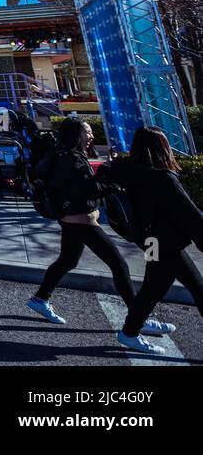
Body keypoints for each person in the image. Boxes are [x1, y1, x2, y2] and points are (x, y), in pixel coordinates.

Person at [26, 119, 154, 330]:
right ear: (76, 135)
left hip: (72, 220)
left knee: (67, 261)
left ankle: (40, 299)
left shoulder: (63, 156)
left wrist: (106, 169)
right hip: (82, 221)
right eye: (88, 131)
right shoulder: (72, 160)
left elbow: (82, 186)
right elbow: (89, 190)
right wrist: (109, 175)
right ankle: (137, 316)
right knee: (118, 264)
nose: (92, 135)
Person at [110, 126, 203, 354]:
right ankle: (130, 333)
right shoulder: (162, 179)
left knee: (156, 288)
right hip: (168, 244)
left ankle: (130, 331)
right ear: (162, 148)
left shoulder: (130, 172)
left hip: (151, 242)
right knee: (186, 288)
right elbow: (190, 216)